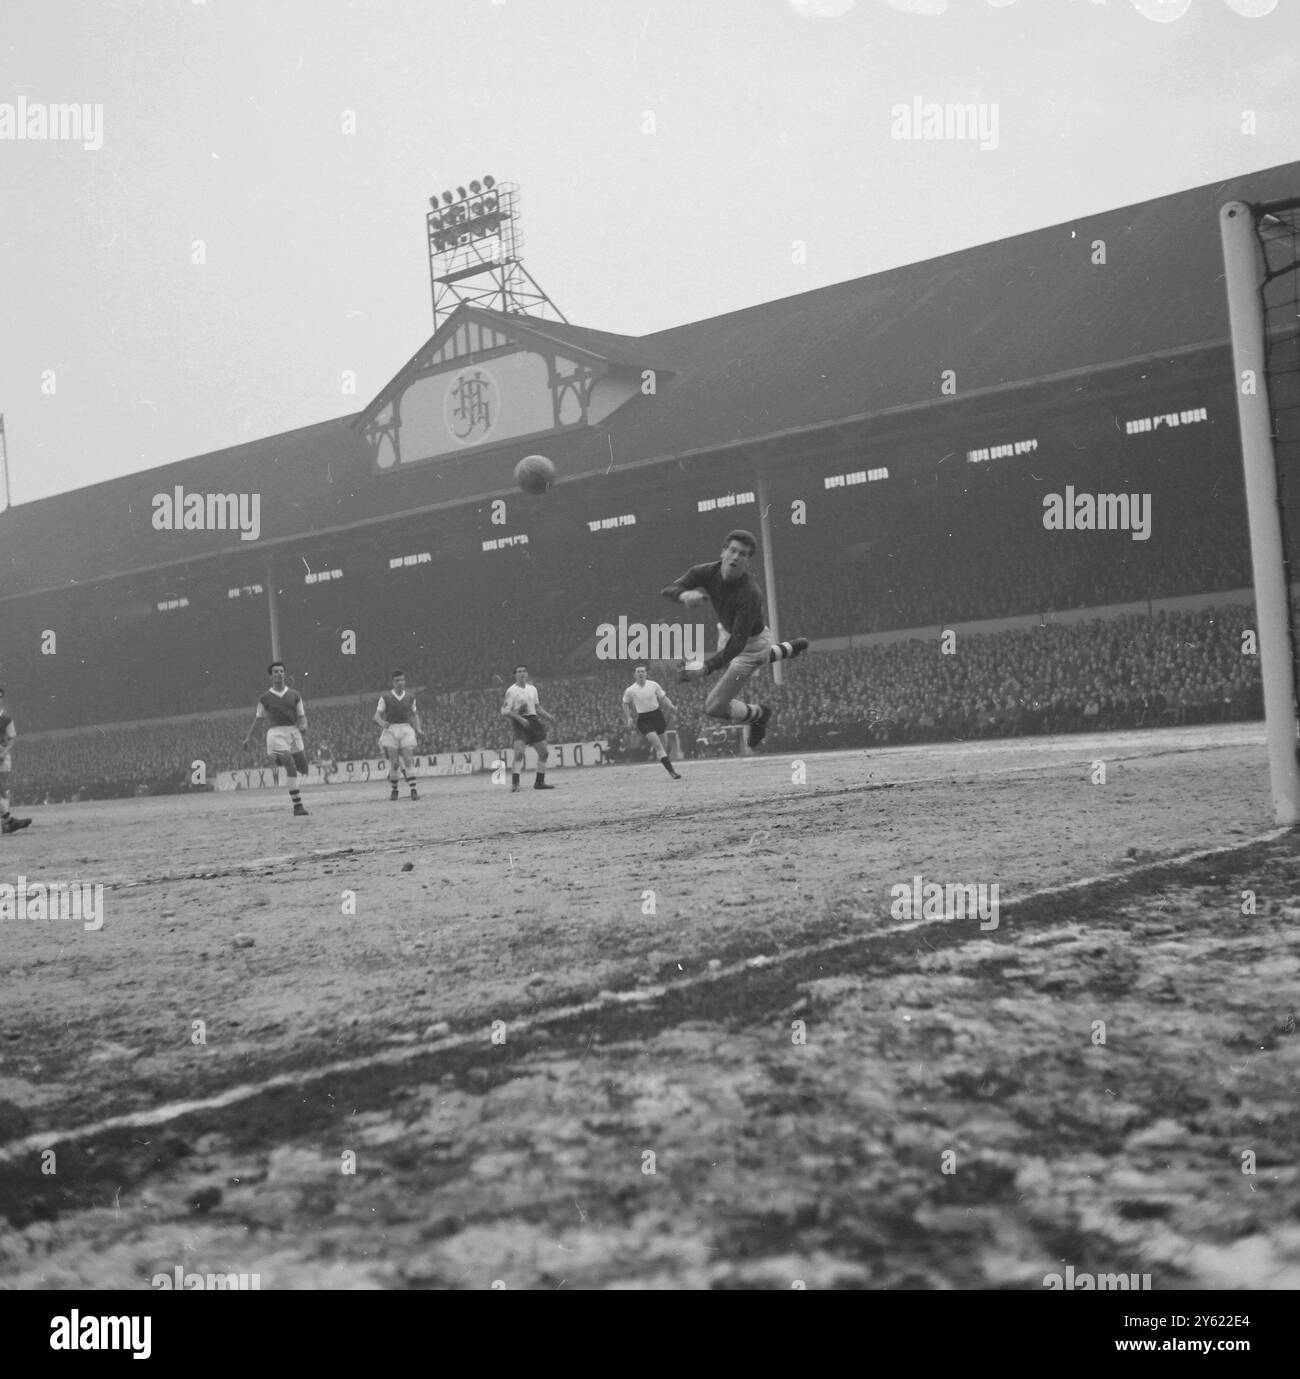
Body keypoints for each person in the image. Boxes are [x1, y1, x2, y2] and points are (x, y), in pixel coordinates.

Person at [661, 529, 808, 748]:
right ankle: (786, 650)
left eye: (744, 554)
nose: (736, 557)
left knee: (713, 707)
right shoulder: (705, 571)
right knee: (737, 657)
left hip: (749, 647)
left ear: (748, 561)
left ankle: (758, 714)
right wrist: (683, 595)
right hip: (728, 632)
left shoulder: (749, 594)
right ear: (723, 552)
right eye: (733, 550)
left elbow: (738, 646)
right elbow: (667, 589)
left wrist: (703, 668)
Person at [241, 662, 310, 816]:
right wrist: (248, 738)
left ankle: (280, 759)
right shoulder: (265, 698)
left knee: (303, 768)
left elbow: (302, 716)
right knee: (290, 765)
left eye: (281, 671)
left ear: (285, 674)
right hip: (276, 733)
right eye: (275, 672)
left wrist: (304, 726)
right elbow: (258, 720)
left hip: (293, 732)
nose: (279, 674)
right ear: (271, 676)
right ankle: (298, 806)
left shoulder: (295, 695)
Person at [500, 665, 557, 792]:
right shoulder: (511, 691)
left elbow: (537, 707)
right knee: (519, 753)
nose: (522, 673)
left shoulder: (532, 689)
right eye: (519, 672)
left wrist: (548, 716)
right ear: (515, 675)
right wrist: (520, 719)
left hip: (533, 721)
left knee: (544, 753)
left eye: (524, 671)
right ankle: (515, 783)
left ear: (527, 674)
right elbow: (504, 711)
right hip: (520, 722)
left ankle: (539, 782)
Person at [622, 666, 682, 781]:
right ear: (634, 675)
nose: (640, 673)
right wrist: (628, 717)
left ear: (646, 674)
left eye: (642, 671)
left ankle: (663, 757)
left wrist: (672, 706)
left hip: (657, 716)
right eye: (638, 672)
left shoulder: (654, 685)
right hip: (644, 719)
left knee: (665, 745)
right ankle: (672, 771)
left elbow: (664, 698)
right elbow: (625, 703)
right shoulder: (630, 690)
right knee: (658, 745)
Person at [374, 670, 422, 801]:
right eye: (397, 680)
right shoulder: (385, 697)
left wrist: (418, 728)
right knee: (394, 763)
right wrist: (382, 723)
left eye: (402, 680)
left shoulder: (411, 697)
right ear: (393, 682)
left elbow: (415, 714)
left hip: (406, 728)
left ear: (405, 681)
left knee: (408, 759)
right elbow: (376, 716)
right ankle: (394, 790)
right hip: (391, 729)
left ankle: (413, 790)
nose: (400, 682)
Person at [0, 688, 32, 834]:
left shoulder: (6, 719)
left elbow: (12, 739)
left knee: (2, 789)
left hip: (2, 757)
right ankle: (7, 821)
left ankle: (6, 822)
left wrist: (4, 753)